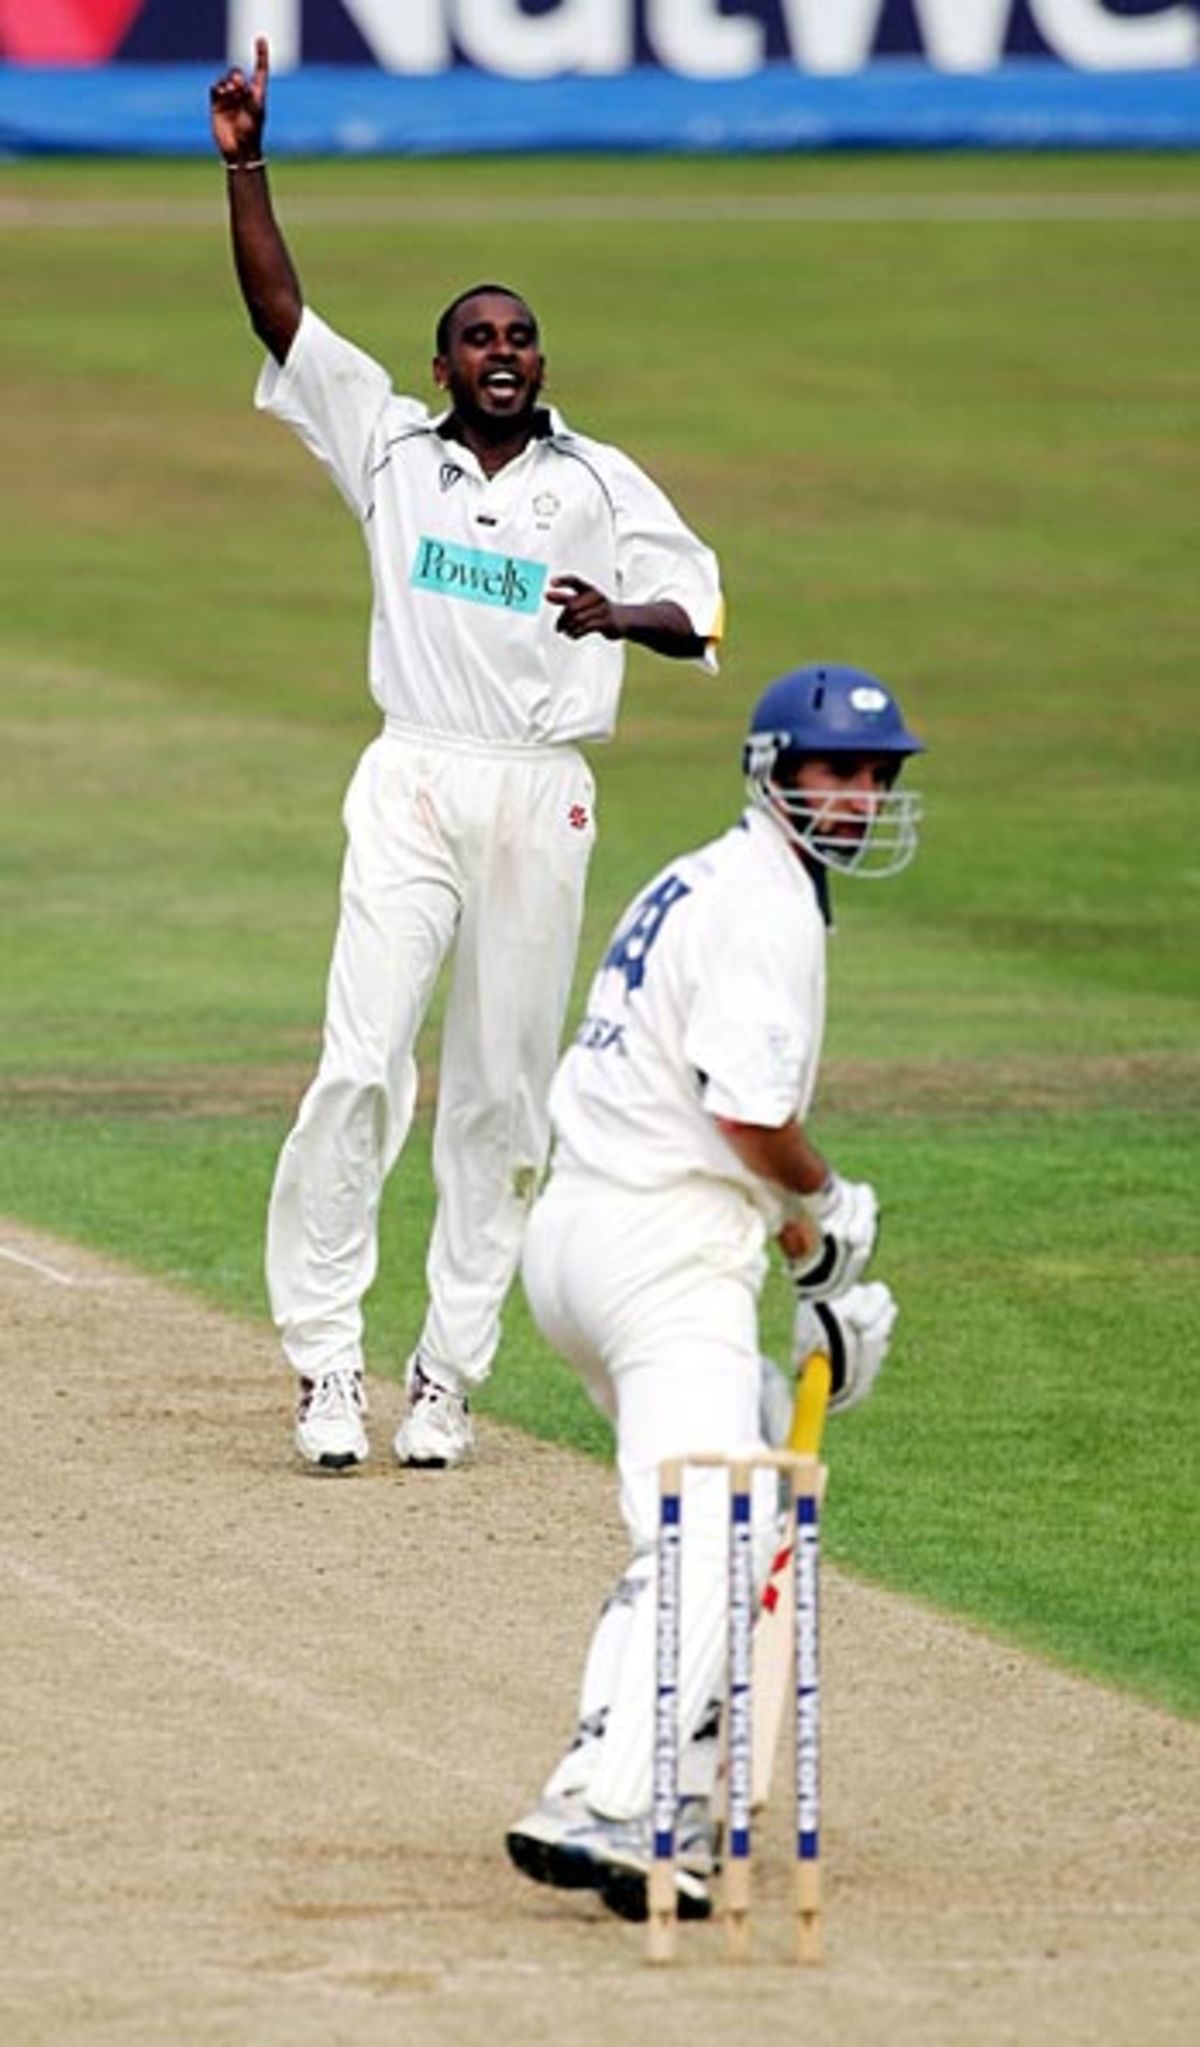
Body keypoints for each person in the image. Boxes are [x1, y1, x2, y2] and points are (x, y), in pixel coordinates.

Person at [208, 40, 724, 1473]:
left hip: (540, 788)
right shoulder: (387, 449)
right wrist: (247, 163)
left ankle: (445, 1372)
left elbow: (698, 607)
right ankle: (325, 1364)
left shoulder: (598, 478)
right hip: (416, 776)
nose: (504, 352)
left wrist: (619, 610)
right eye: (479, 338)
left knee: (502, 1091)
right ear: (442, 366)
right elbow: (282, 317)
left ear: (540, 360)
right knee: (360, 1062)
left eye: (523, 337)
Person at [506, 661, 924, 1923]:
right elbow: (747, 1114)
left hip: (582, 1234)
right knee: (718, 1527)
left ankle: (664, 1805)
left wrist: (808, 1272)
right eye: (833, 772)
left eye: (872, 775)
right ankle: (605, 1797)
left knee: (724, 1488)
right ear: (775, 773)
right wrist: (833, 1204)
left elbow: (685, 1106)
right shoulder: (767, 905)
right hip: (659, 1248)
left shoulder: (704, 873)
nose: (853, 797)